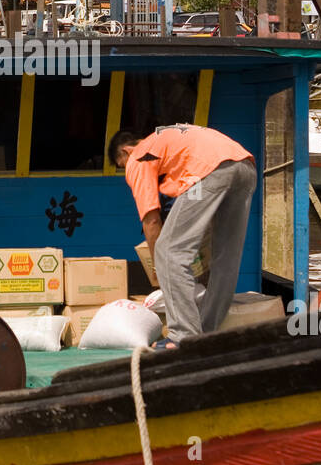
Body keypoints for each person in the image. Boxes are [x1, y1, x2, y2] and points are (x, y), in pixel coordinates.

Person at [109, 123, 256, 344]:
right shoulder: (164, 139)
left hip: (208, 172)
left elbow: (151, 220)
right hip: (245, 168)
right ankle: (207, 334)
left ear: (125, 151)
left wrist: (158, 266)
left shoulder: (139, 156)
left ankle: (183, 337)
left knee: (169, 251)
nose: (126, 171)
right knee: (226, 257)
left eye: (122, 166)